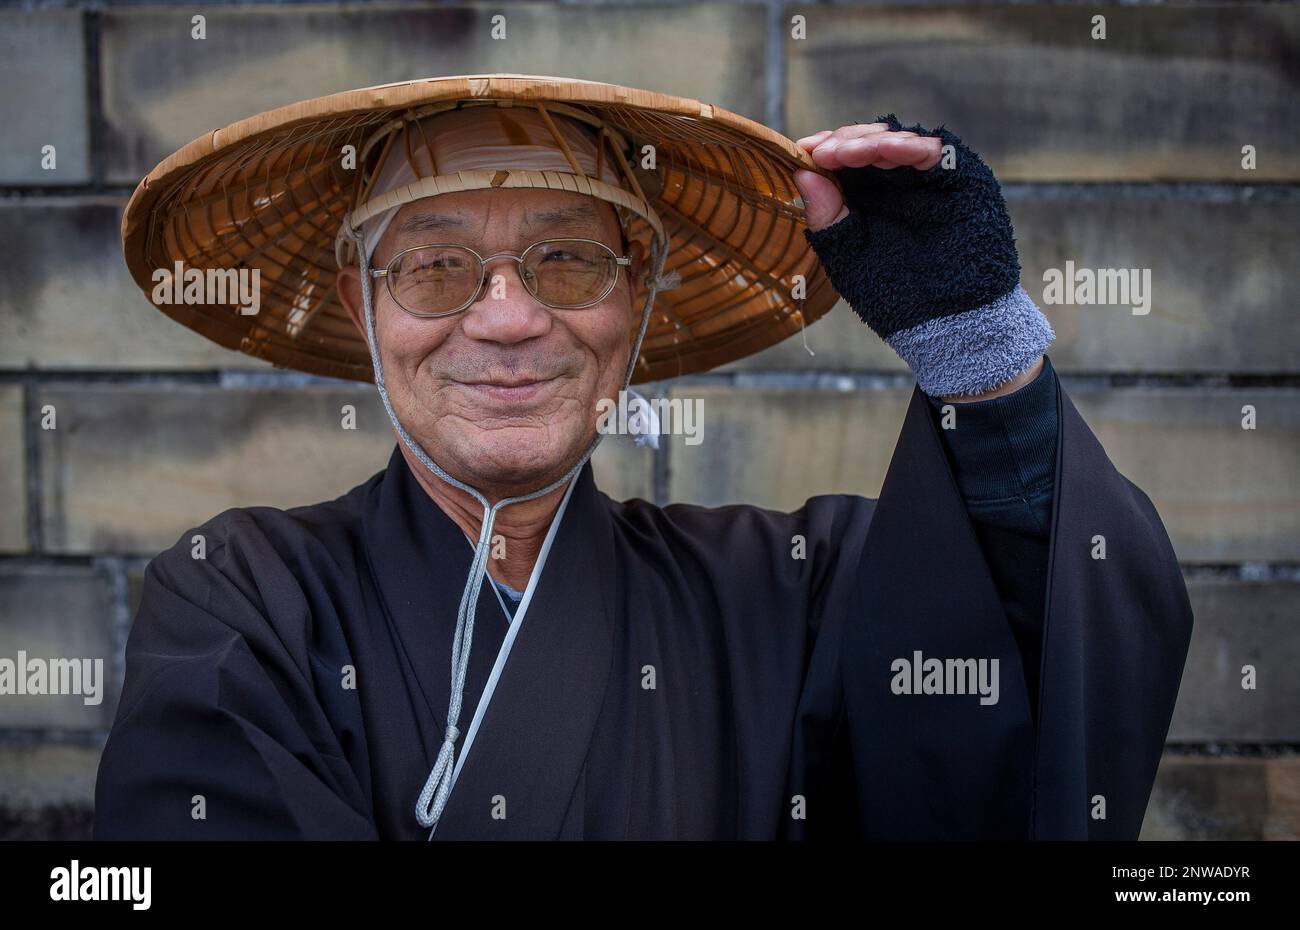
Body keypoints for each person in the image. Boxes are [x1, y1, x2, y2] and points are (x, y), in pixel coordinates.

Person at [95, 78, 1192, 840]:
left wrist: (978, 351)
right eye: (434, 265)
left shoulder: (789, 592)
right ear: (361, 306)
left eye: (567, 257)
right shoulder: (244, 600)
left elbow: (1047, 660)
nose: (508, 317)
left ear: (637, 299)